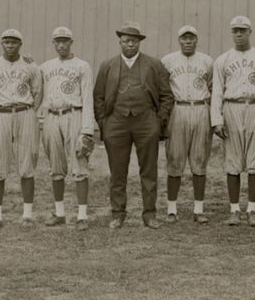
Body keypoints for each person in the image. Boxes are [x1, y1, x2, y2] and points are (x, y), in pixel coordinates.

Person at [94, 21, 174, 229]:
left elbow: (167, 96)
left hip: (146, 122)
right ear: (119, 42)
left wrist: (158, 122)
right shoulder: (107, 65)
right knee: (117, 171)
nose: (130, 45)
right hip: (117, 123)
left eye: (133, 41)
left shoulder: (153, 65)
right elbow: (98, 97)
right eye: (126, 41)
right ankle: (117, 213)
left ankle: (149, 214)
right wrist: (105, 123)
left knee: (148, 171)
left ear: (139, 43)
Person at [211, 15, 255, 227]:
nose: (238, 34)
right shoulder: (222, 60)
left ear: (250, 32)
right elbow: (216, 93)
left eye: (242, 30)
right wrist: (216, 120)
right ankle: (234, 210)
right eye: (235, 31)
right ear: (231, 33)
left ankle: (252, 209)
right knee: (233, 160)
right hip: (232, 107)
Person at [0, 29, 43, 231]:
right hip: (0, 114)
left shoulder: (30, 67)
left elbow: (37, 92)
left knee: (27, 163)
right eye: (6, 42)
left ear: (20, 45)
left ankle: (27, 215)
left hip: (24, 111)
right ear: (2, 44)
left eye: (14, 42)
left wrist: (28, 110)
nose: (10, 45)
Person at [40, 27, 95, 231]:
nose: (61, 45)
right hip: (52, 116)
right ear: (53, 44)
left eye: (65, 41)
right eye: (57, 41)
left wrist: (87, 129)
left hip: (75, 114)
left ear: (72, 43)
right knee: (56, 167)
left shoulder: (82, 66)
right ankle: (60, 213)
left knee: (80, 165)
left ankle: (82, 215)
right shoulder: (45, 67)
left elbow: (88, 98)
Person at [161, 25, 213, 224]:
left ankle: (198, 209)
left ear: (196, 40)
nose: (188, 41)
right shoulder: (168, 61)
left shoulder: (207, 61)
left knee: (199, 160)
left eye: (191, 38)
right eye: (184, 38)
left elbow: (213, 87)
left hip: (200, 108)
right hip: (178, 108)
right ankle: (172, 209)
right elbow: (162, 90)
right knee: (175, 160)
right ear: (179, 40)